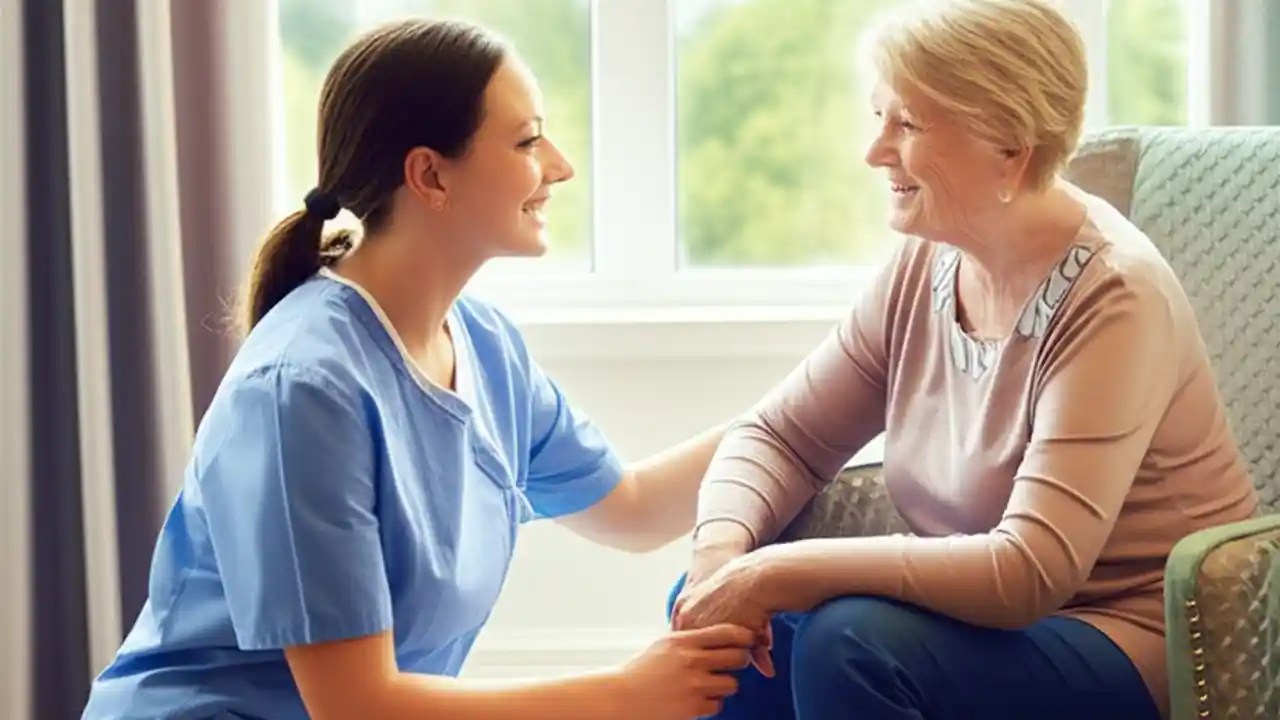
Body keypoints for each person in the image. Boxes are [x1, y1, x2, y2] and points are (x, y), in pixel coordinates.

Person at [81, 19, 759, 720]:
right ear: (430, 174)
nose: (559, 165)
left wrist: (824, 413)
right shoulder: (301, 390)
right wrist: (623, 694)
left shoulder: (485, 347)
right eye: (527, 141)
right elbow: (356, 705)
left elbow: (635, 508)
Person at [668, 1, 1259, 719]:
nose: (875, 149)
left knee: (848, 643)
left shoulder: (1116, 296)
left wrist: (778, 570)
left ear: (1009, 148)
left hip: (1131, 639)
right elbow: (778, 436)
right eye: (878, 115)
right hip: (978, 631)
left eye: (907, 124)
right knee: (710, 619)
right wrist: (721, 557)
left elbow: (1028, 570)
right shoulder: (928, 260)